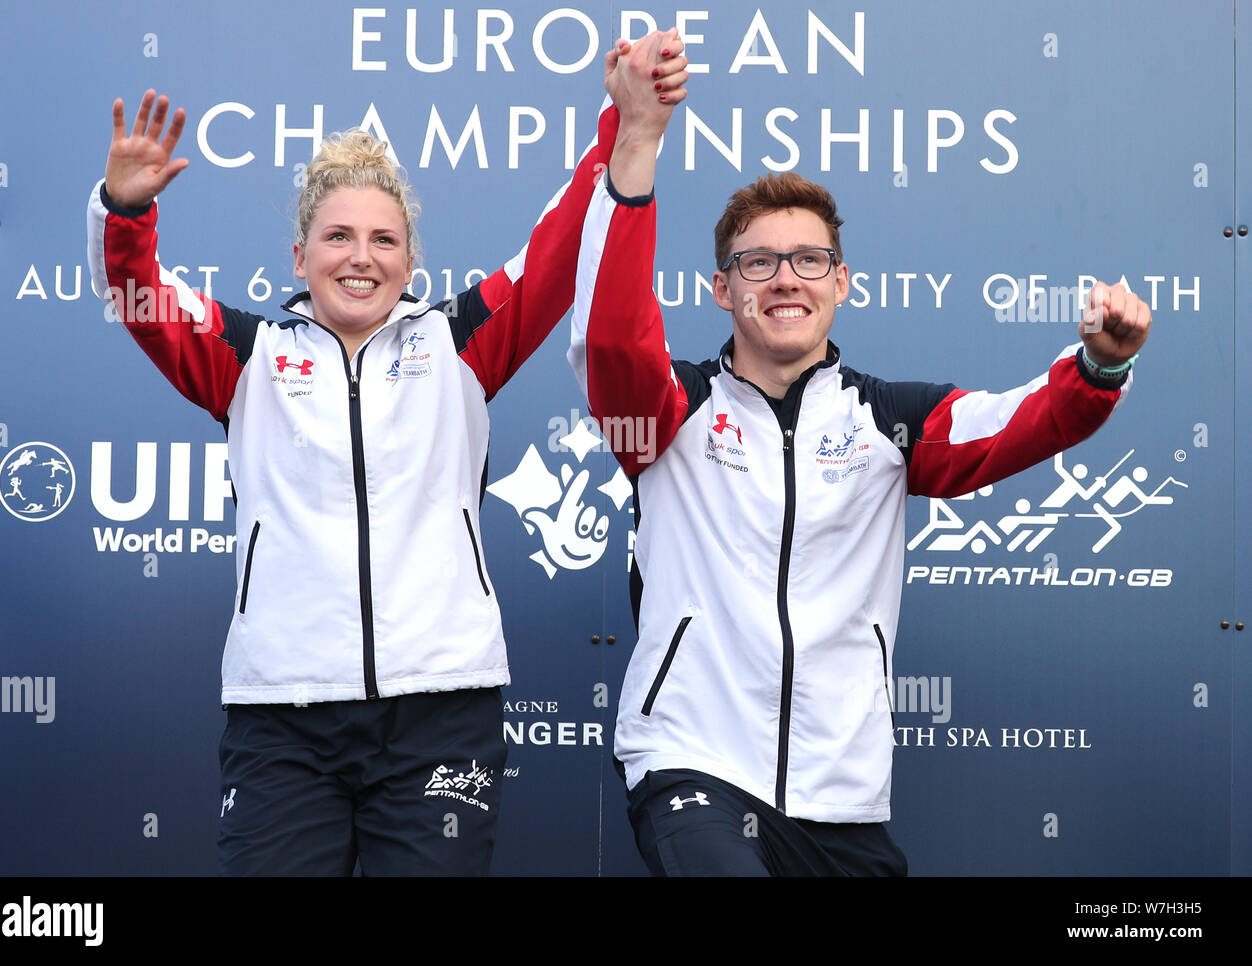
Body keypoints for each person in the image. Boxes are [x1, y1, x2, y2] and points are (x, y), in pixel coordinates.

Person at [86, 32, 689, 875]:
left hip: (441, 714)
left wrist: (624, 125)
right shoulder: (247, 356)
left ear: (411, 262)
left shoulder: (462, 345)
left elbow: (560, 250)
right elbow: (139, 298)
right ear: (300, 257)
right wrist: (125, 214)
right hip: (283, 718)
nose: (360, 257)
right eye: (338, 237)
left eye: (383, 240)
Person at [567, 91, 1151, 874]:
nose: (785, 280)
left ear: (842, 282)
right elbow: (610, 336)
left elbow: (1029, 421)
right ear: (721, 288)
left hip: (843, 800)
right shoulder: (671, 411)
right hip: (691, 767)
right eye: (757, 263)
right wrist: (635, 151)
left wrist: (1101, 366)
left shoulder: (891, 423)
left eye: (808, 261)